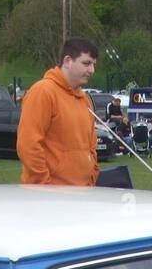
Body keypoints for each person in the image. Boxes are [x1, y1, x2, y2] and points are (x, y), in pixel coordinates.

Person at [16, 37, 100, 186]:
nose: (91, 70)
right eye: (86, 63)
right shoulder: (42, 92)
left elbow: (91, 146)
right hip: (49, 199)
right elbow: (28, 145)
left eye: (93, 64)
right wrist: (44, 184)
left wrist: (91, 178)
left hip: (83, 196)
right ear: (67, 61)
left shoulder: (85, 99)